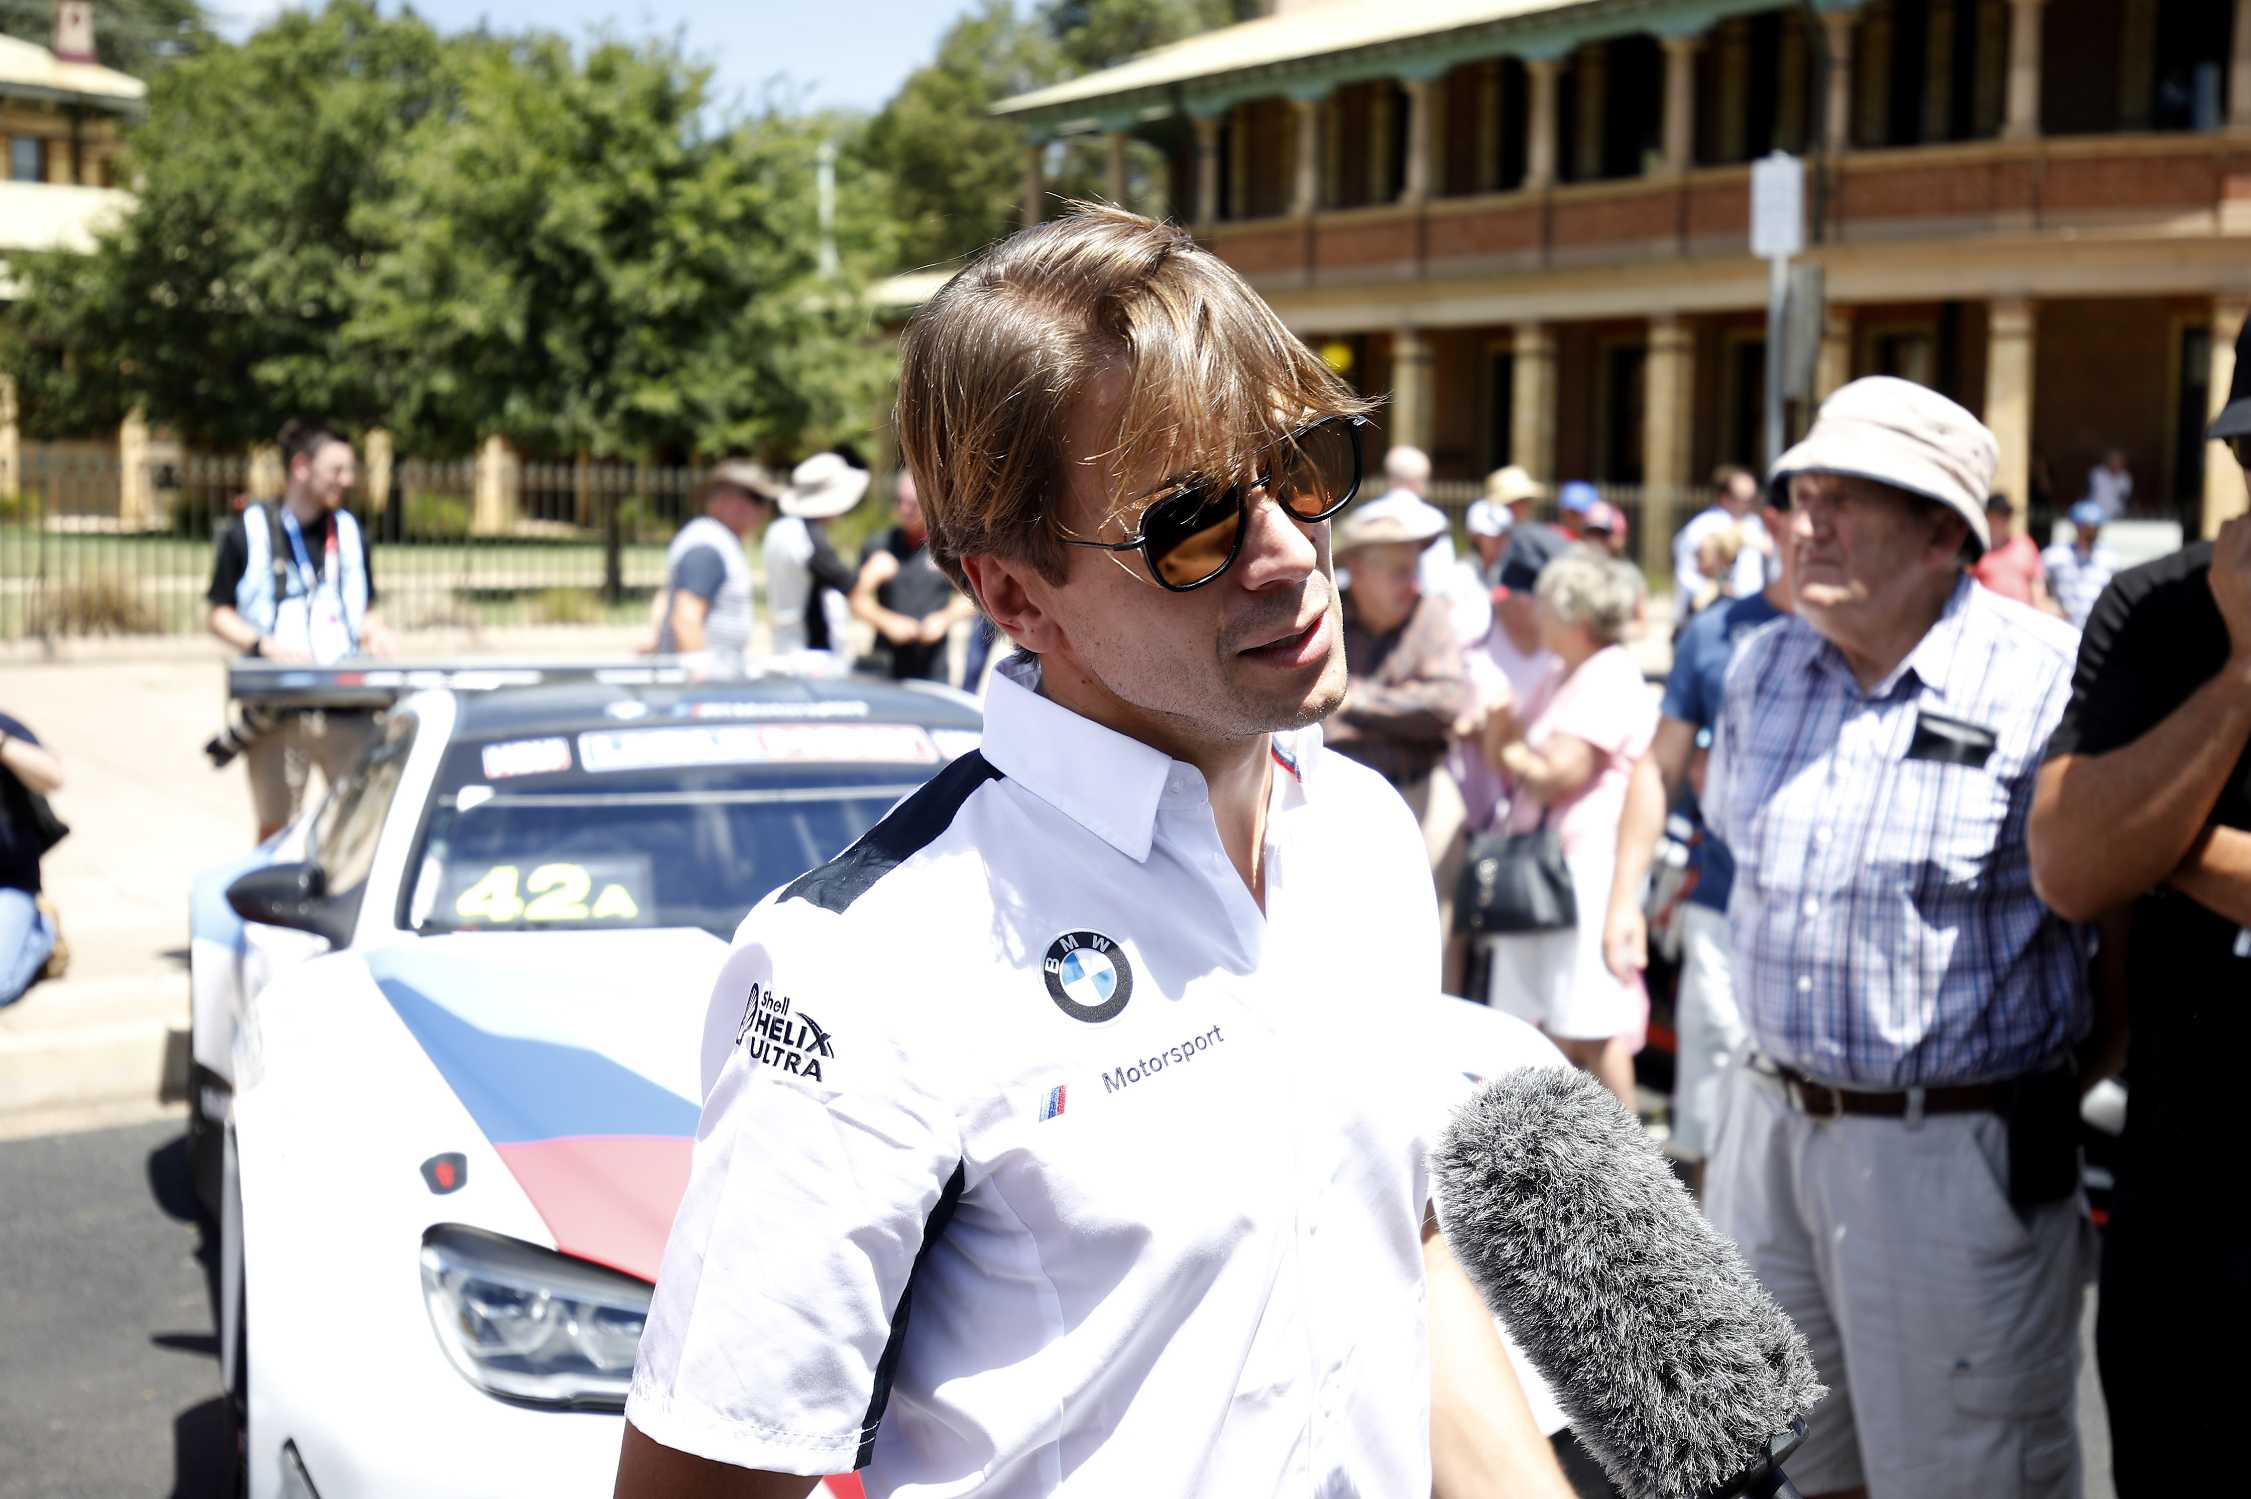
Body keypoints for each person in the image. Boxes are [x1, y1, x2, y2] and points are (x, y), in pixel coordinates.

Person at [615, 205, 1570, 1499]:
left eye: (1302, 465)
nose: (1290, 551)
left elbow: (1393, 1245)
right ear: (1012, 593)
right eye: (1191, 524)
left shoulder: (1365, 835)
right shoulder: (865, 967)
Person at [1700, 376, 2109, 1499]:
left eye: (1850, 497)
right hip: (1769, 1132)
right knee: (1791, 1460)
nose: (1808, 521)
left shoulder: (2046, 678)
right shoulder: (1761, 667)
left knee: (1968, 1474)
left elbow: (2116, 926)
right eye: (1801, 493)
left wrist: (2038, 1088)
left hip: (1950, 1156)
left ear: (1945, 536)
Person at [2026, 322, 2251, 1495]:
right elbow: (2070, 860)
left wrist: (2163, 846)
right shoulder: (2162, 608)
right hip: (2186, 1205)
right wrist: (2246, 673)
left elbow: (2118, 847)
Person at [1601, 485, 1794, 1194]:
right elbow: (1659, 766)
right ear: (1770, 521)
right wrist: (1624, 899)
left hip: (1833, 927)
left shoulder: (1877, 631)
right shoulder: (1714, 634)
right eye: (1809, 504)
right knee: (1712, 1113)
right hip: (1723, 904)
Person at [1475, 547, 1654, 1110]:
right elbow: (1506, 754)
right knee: (1538, 1024)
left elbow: (1557, 776)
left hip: (1580, 871)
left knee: (1591, 1027)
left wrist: (1509, 742)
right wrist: (1502, 726)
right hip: (1546, 866)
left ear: (1575, 616)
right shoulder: (1563, 675)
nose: (1536, 616)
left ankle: (1632, 1174)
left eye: (1547, 606)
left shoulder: (1607, 676)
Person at [205, 419, 395, 841]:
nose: (347, 480)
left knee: (361, 830)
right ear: (301, 467)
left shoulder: (349, 532)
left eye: (350, 470)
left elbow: (366, 608)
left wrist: (376, 631)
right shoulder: (248, 531)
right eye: (337, 469)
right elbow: (218, 613)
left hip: (347, 706)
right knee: (277, 833)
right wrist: (262, 644)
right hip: (278, 711)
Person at [1327, 491, 1473, 843]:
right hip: (1333, 800)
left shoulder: (1429, 613)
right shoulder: (1326, 618)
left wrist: (1355, 703)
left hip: (1417, 793)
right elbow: (1307, 713)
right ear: (1358, 572)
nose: (1414, 585)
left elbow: (1447, 702)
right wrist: (1400, 707)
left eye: (1415, 570)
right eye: (1400, 573)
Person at [849, 470, 978, 682]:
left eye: (912, 503)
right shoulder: (880, 545)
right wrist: (887, 621)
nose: (904, 509)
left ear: (928, 504)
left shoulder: (947, 549)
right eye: (899, 501)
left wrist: (943, 619)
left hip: (932, 667)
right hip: (886, 666)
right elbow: (855, 600)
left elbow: (973, 598)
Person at [653, 460, 780, 668]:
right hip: (704, 688)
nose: (764, 509)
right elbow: (686, 618)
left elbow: (667, 598)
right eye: (756, 498)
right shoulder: (709, 546)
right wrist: (703, 685)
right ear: (725, 499)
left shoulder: (717, 540)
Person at [765, 451, 868, 661]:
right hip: (811, 654)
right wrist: (875, 571)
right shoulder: (808, 539)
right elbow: (847, 584)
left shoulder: (777, 530)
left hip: (785, 644)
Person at [0, 713, 67, 1006]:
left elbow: (53, 777)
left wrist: (3, 745)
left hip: (9, 883)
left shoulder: (6, 728)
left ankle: (42, 932)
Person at [1671, 465, 1768, 628]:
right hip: (1704, 613)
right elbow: (1690, 575)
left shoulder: (1755, 524)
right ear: (1725, 497)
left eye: (1754, 498)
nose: (1751, 504)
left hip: (1747, 616)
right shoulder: (1703, 527)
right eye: (1744, 499)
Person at [1967, 492, 2056, 613]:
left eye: (2007, 514)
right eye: (1999, 514)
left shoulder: (2025, 545)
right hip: (1988, 619)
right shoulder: (1977, 549)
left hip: (2022, 620)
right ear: (1987, 516)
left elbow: (2037, 584)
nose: (2004, 519)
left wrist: (2041, 612)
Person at [2041, 498, 2118, 630]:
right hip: (2062, 627)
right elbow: (2037, 584)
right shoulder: (2055, 556)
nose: (2090, 532)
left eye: (2095, 527)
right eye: (2086, 527)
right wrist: (2048, 604)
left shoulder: (2110, 560)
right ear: (2076, 527)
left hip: (2095, 628)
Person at [2086, 446, 2133, 521]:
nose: (2115, 463)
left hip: (2117, 516)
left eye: (2118, 461)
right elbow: (2088, 492)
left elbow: (2126, 498)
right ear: (2108, 461)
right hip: (2095, 515)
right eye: (2113, 460)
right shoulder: (2097, 473)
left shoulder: (2125, 477)